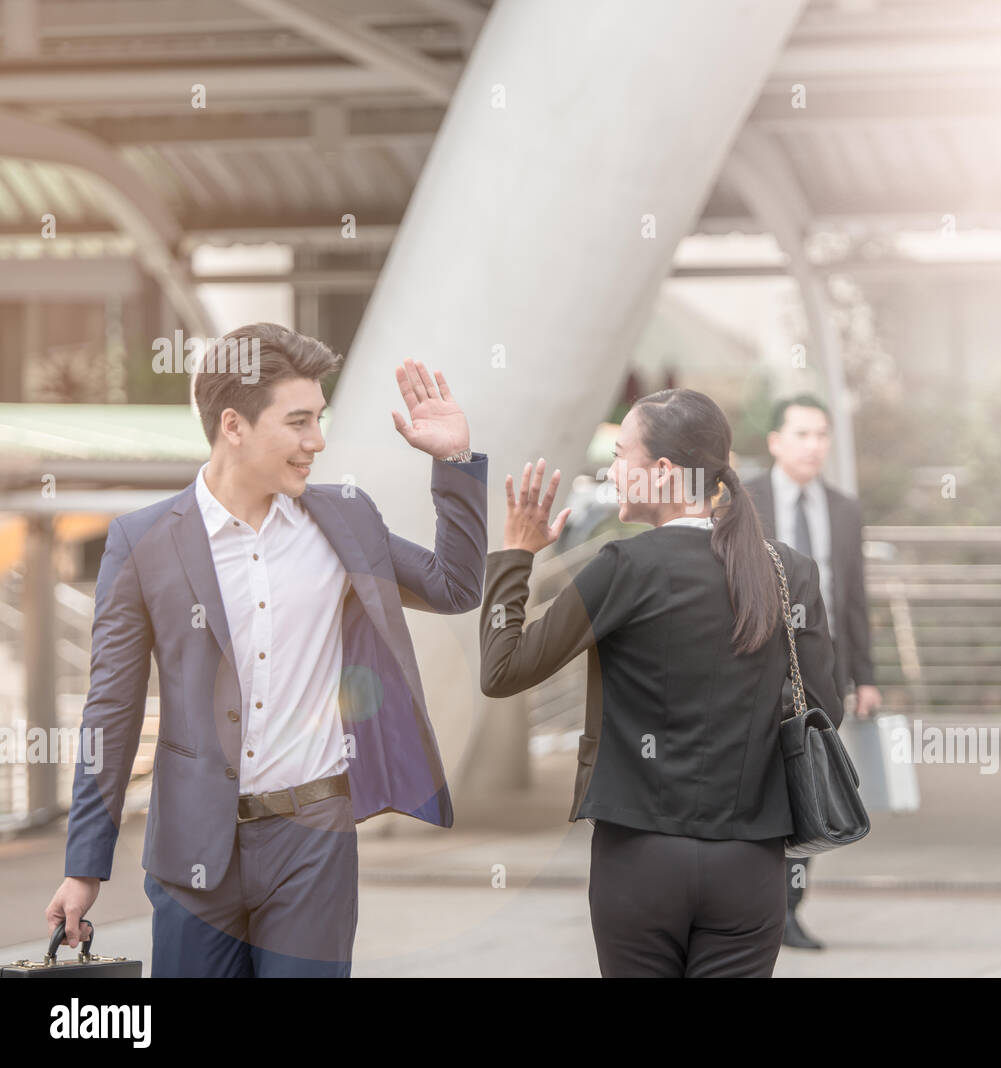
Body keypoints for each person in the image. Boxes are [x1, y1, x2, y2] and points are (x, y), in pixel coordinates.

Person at [45, 324, 488, 977]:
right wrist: (84, 867)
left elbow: (454, 587)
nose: (318, 440)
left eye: (321, 419)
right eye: (300, 421)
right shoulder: (140, 543)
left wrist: (454, 462)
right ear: (235, 426)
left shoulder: (345, 519)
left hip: (314, 839)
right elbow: (110, 712)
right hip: (191, 852)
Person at [479, 387, 841, 977]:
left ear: (663, 472)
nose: (612, 472)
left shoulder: (624, 567)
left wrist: (515, 557)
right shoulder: (789, 570)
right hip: (752, 866)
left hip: (639, 861)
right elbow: (825, 707)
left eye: (622, 455)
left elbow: (503, 670)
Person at [745, 394, 881, 950]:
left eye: (821, 434)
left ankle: (791, 909)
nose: (813, 445)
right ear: (776, 441)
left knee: (810, 786)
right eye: (802, 434)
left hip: (820, 672)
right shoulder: (743, 499)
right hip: (754, 668)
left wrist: (866, 677)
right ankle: (752, 906)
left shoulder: (845, 510)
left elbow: (854, 600)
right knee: (756, 785)